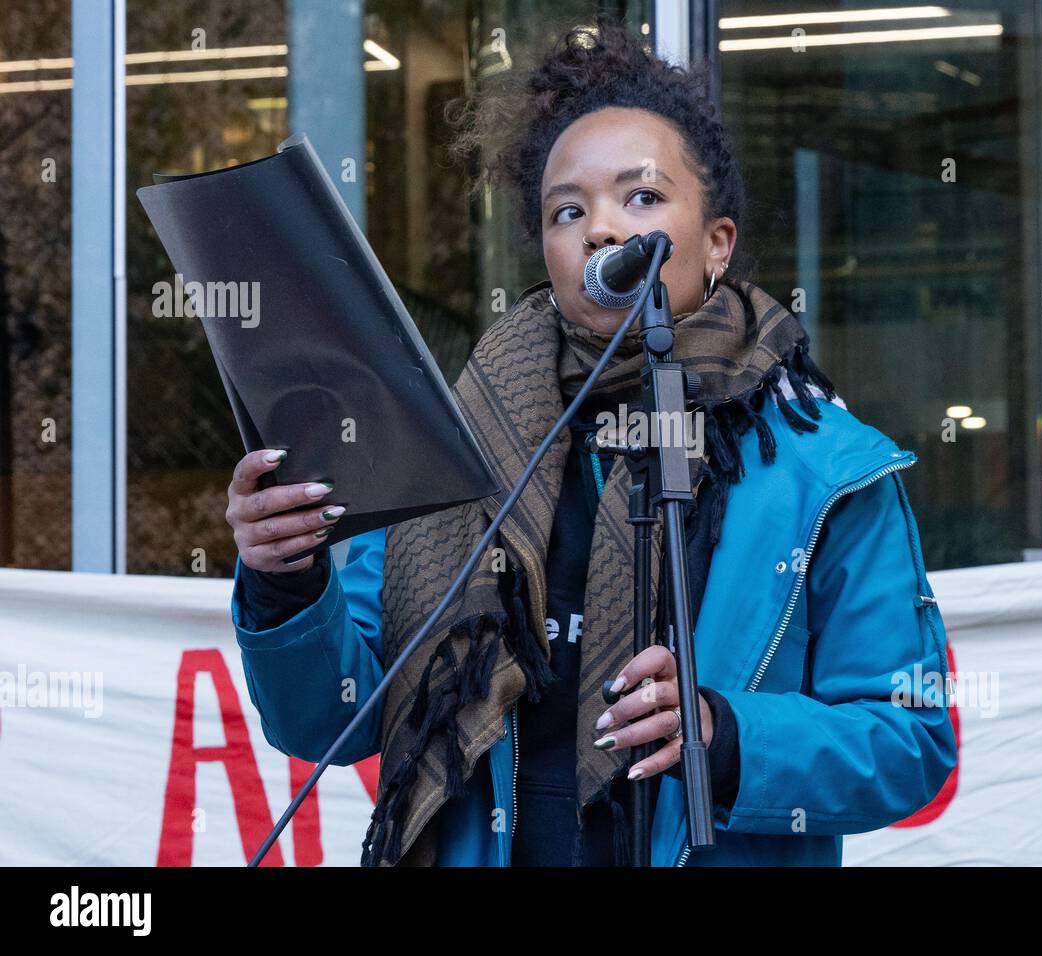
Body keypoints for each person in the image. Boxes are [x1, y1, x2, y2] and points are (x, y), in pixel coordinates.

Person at [227, 15, 957, 867]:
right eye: (566, 210)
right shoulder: (454, 442)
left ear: (717, 244)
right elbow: (327, 719)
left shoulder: (825, 468)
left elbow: (910, 742)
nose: (601, 229)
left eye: (641, 196)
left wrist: (725, 732)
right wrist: (288, 581)